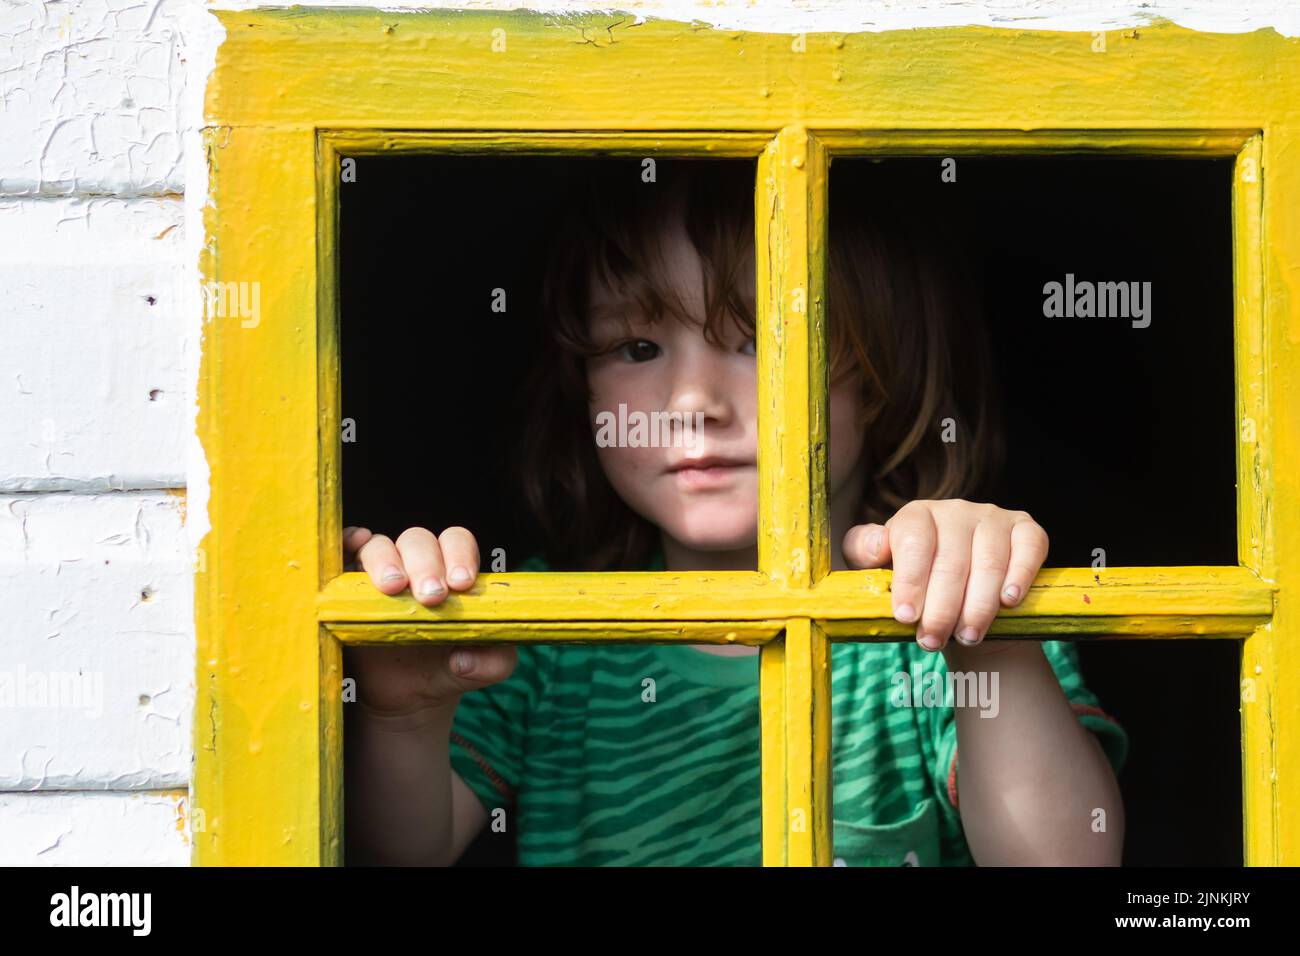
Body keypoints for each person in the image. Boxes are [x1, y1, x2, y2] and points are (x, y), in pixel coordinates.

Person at [342, 162, 1128, 866]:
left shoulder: (929, 611)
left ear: (885, 366)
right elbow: (406, 848)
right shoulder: (542, 627)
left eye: (759, 340)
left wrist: (981, 632)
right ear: (580, 388)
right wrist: (404, 711)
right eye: (639, 348)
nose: (692, 405)